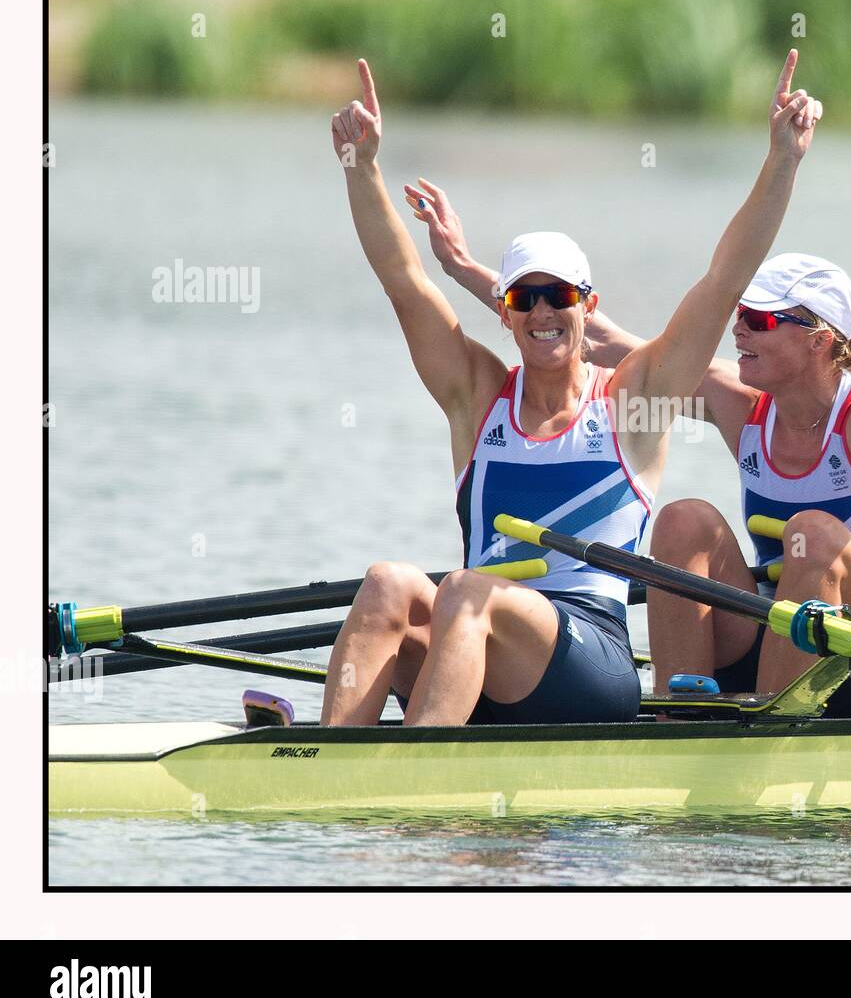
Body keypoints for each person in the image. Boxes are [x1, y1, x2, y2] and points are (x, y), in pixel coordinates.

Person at [319, 51, 822, 727]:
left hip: (590, 660)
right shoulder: (477, 397)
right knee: (386, 584)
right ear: (506, 312)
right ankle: (326, 767)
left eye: (559, 296)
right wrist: (362, 167)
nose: (543, 312)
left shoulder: (634, 399)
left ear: (589, 305)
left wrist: (782, 159)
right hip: (481, 647)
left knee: (465, 591)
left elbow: (723, 280)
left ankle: (421, 787)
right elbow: (405, 282)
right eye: (525, 298)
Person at [421, 158, 851, 715]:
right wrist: (467, 269)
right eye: (739, 314)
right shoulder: (737, 404)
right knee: (684, 519)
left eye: (758, 321)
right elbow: (586, 334)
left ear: (819, 339)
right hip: (782, 638)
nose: (736, 329)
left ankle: (765, 724)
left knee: (814, 536)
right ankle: (679, 713)